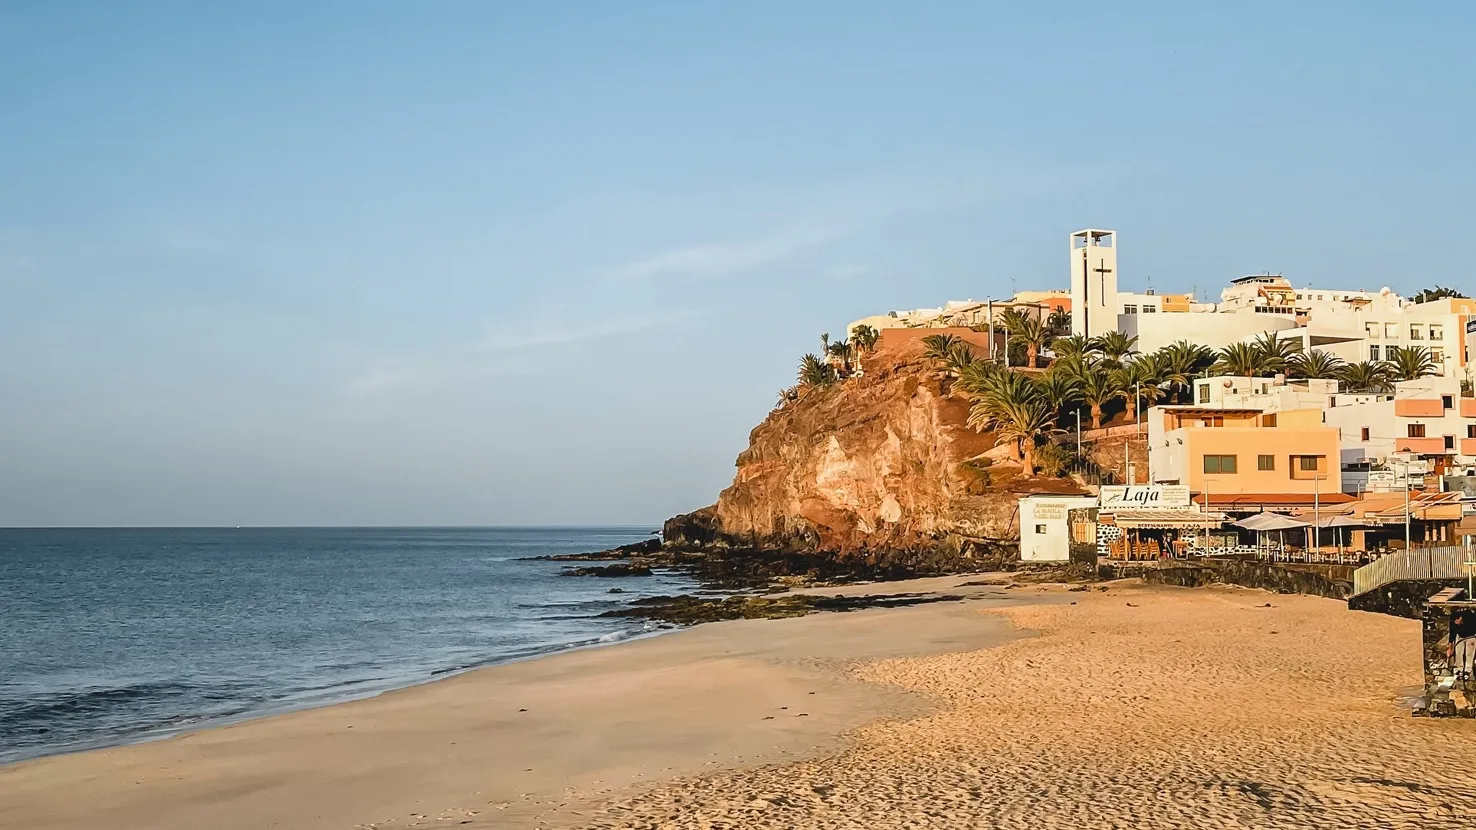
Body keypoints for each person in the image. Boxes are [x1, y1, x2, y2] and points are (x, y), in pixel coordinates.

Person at [1450, 606, 1476, 681]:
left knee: (1469, 654)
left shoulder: (1471, 617)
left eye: (1457, 621)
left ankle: (1467, 670)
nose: (1456, 623)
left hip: (1471, 635)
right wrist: (1450, 644)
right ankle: (1459, 669)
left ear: (1460, 618)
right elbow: (1452, 630)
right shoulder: (1453, 617)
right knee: (1458, 652)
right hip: (1460, 636)